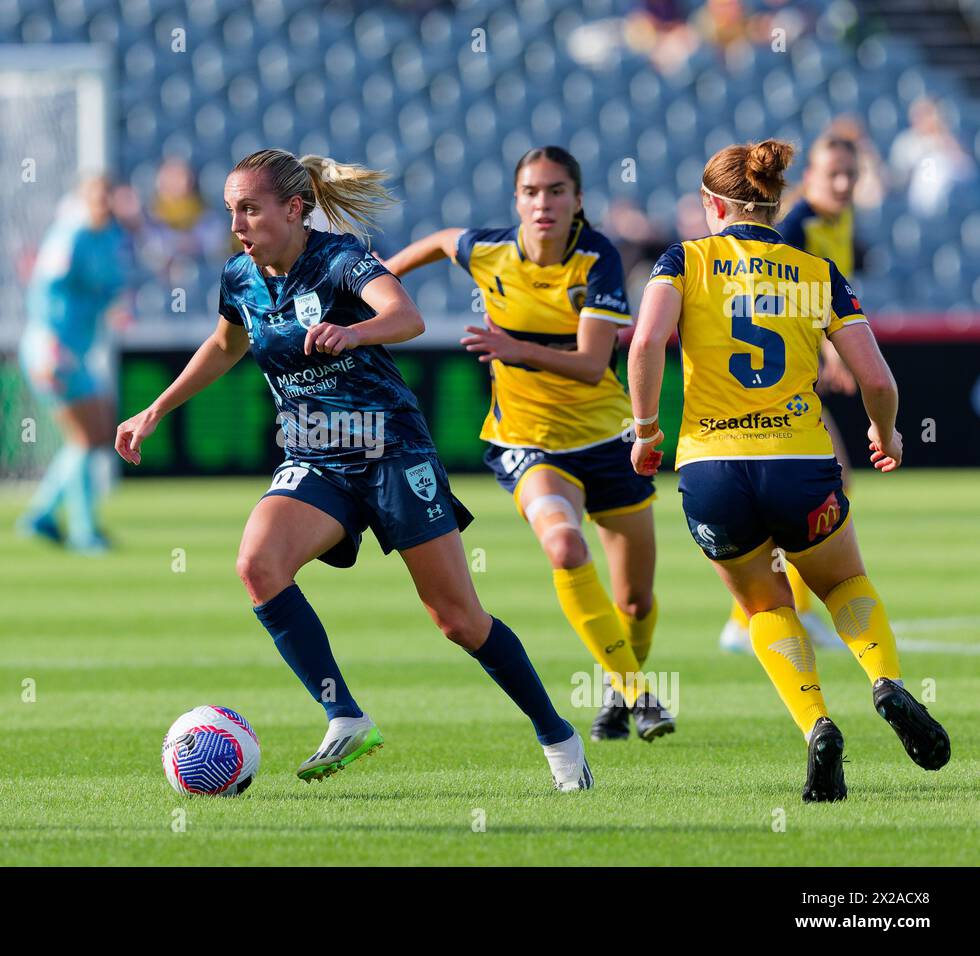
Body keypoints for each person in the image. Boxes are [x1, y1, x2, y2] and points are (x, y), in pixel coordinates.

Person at [116, 148, 594, 790]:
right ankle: (344, 714)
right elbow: (227, 344)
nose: (237, 225)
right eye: (232, 211)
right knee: (258, 564)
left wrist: (357, 333)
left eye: (250, 210)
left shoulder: (340, 259)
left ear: (294, 209)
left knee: (457, 619)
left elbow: (407, 316)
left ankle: (557, 737)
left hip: (390, 450)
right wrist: (154, 409)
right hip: (314, 453)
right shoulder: (238, 277)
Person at [628, 139, 950, 801]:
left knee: (763, 605)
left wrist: (645, 431)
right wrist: (884, 432)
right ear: (776, 203)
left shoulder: (683, 260)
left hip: (713, 469)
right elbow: (878, 380)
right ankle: (884, 681)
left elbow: (645, 343)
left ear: (710, 204)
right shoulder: (816, 270)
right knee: (844, 584)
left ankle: (816, 725)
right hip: (800, 462)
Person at [383, 146, 675, 743]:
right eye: (532, 192)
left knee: (637, 601)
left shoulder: (597, 258)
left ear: (577, 201)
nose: (544, 203)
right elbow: (441, 241)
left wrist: (517, 350)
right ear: (516, 200)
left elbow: (594, 364)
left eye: (557, 191)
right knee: (565, 548)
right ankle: (642, 696)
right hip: (528, 443)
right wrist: (377, 280)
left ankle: (619, 690)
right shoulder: (490, 251)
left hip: (607, 439)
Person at [716, 134, 864, 654]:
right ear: (808, 181)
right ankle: (755, 617)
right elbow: (781, 292)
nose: (844, 184)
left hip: (794, 376)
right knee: (820, 485)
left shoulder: (838, 222)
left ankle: (779, 611)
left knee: (827, 485)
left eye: (852, 174)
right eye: (833, 175)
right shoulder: (796, 227)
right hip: (775, 379)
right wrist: (830, 352)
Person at [17, 174, 128, 553]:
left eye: (108, 196)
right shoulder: (70, 235)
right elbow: (43, 290)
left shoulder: (110, 238)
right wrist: (48, 346)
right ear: (82, 199)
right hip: (52, 348)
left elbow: (112, 287)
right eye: (97, 196)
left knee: (95, 434)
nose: (104, 203)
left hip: (76, 351)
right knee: (86, 436)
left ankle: (43, 513)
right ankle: (82, 530)